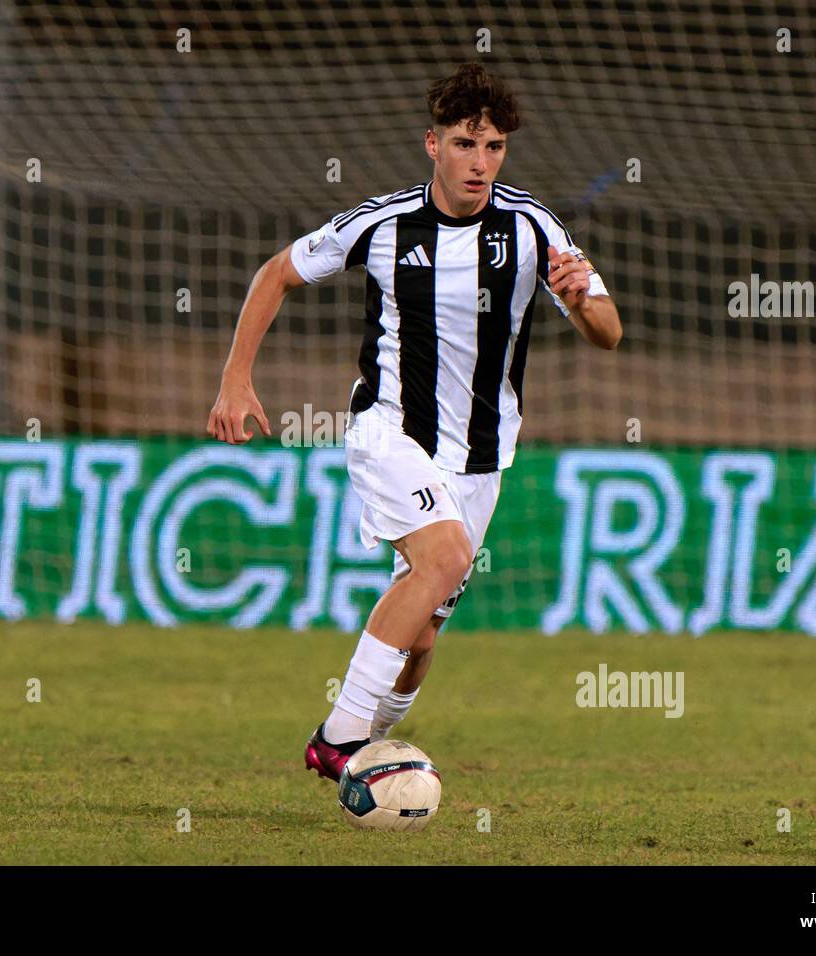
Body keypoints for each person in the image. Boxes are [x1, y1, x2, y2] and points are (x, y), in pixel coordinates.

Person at [205, 62, 622, 781]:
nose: (480, 162)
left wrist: (582, 299)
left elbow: (610, 332)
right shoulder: (383, 223)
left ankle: (376, 748)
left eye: (493, 147)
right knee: (445, 559)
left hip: (482, 456)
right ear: (433, 144)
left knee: (423, 636)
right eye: (466, 144)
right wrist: (236, 378)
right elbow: (276, 272)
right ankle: (337, 741)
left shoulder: (532, 227)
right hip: (389, 429)